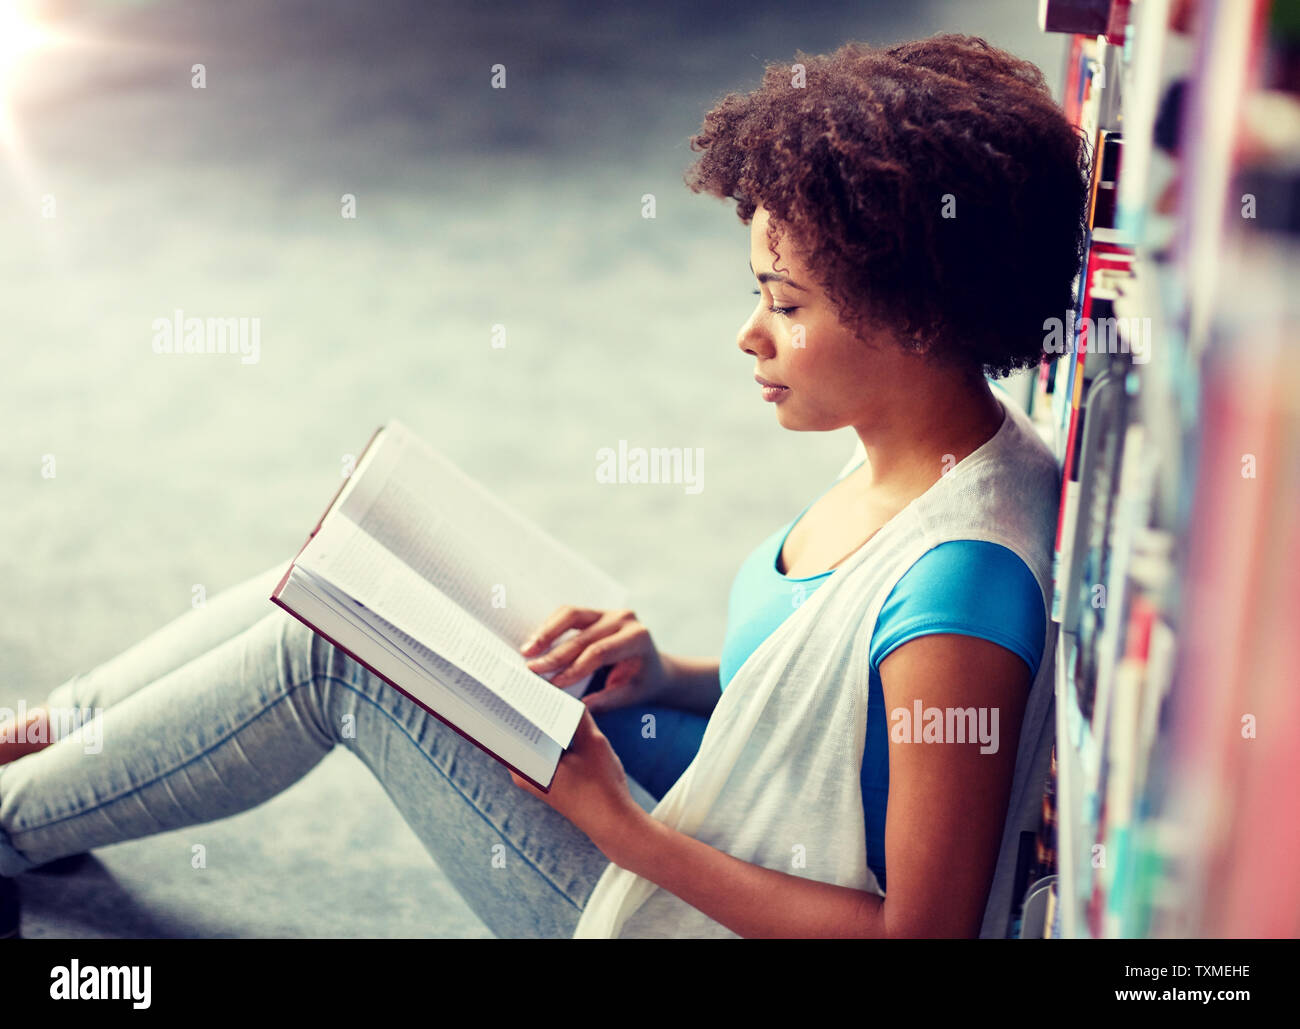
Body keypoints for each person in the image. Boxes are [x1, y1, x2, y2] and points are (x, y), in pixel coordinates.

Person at [0, 33, 1088, 939]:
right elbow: (843, 716)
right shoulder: (930, 443)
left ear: (915, 319)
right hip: (699, 803)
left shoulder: (959, 607)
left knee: (329, 647)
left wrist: (624, 833)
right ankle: (48, 736)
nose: (749, 335)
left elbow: (922, 938)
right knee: (352, 578)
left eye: (787, 304)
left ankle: (9, 813)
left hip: (667, 900)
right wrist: (668, 674)